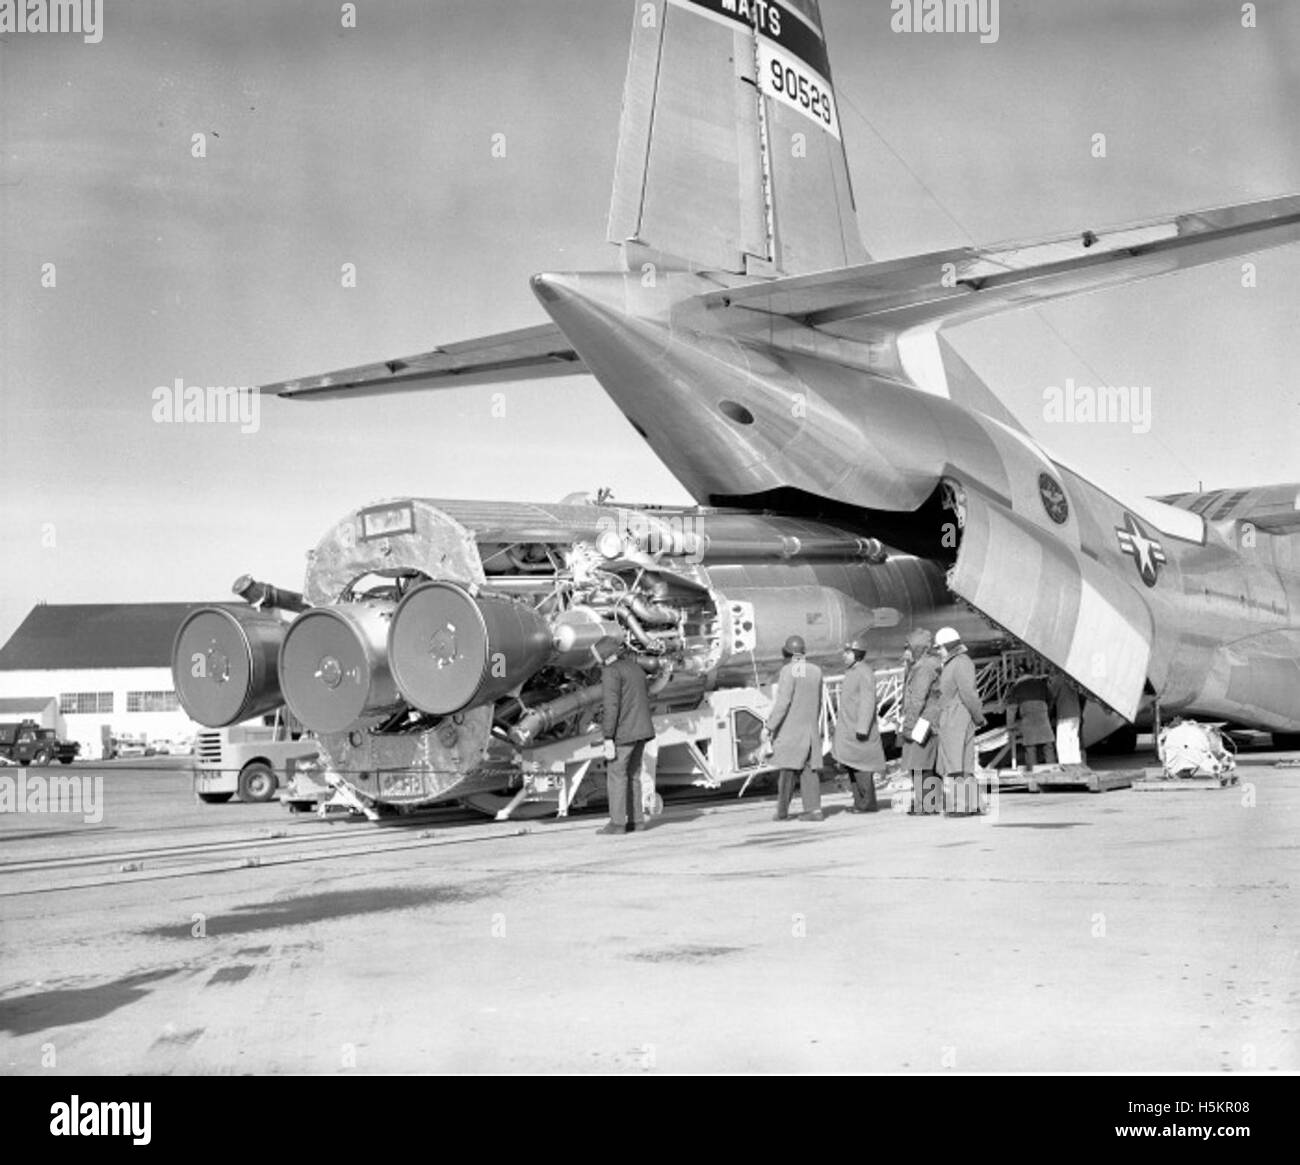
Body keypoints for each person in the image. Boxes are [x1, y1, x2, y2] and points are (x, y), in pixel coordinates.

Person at [595, 638, 655, 835]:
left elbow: (612, 707)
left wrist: (608, 737)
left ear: (604, 656)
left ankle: (617, 823)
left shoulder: (611, 672)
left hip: (624, 733)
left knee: (616, 775)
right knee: (634, 775)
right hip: (642, 730)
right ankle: (637, 822)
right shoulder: (635, 668)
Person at [763, 635, 825, 821]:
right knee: (809, 771)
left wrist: (769, 726)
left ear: (786, 653)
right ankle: (814, 810)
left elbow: (783, 703)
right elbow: (819, 702)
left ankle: (782, 812)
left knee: (787, 772)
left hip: (791, 731)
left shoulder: (789, 671)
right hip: (810, 729)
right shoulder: (815, 671)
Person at [934, 626, 987, 816]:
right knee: (965, 764)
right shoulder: (959, 662)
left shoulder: (958, 663)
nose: (938, 652)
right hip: (960, 716)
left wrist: (978, 716)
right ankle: (973, 804)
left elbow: (968, 693)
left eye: (939, 648)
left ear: (947, 646)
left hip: (954, 717)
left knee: (955, 764)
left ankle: (962, 805)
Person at [833, 630, 884, 812]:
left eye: (848, 652)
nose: (844, 656)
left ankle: (867, 803)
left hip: (859, 730)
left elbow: (868, 701)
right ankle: (859, 802)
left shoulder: (863, 672)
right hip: (849, 729)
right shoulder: (852, 671)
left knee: (863, 768)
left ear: (857, 654)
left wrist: (862, 727)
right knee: (853, 767)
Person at [900, 627, 943, 815]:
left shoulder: (923, 668)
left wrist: (909, 725)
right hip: (929, 719)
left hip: (924, 721)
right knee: (925, 764)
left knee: (920, 764)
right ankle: (928, 802)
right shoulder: (924, 665)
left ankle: (927, 803)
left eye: (907, 648)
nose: (905, 653)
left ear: (917, 648)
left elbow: (918, 698)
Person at [1006, 665, 1056, 768]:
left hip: (1028, 722)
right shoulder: (1042, 684)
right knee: (1048, 747)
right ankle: (1053, 775)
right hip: (1043, 721)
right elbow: (1051, 700)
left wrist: (1010, 726)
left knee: (1030, 749)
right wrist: (1047, 714)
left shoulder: (1017, 687)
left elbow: (1011, 709)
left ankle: (1033, 777)